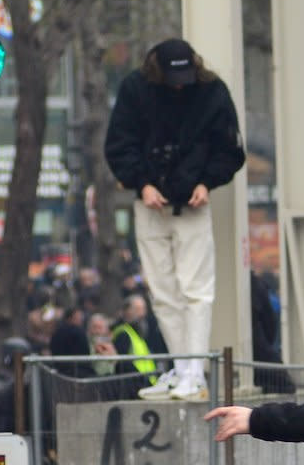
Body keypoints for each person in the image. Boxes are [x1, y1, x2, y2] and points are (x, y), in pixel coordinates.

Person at [102, 39, 245, 402]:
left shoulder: (210, 92)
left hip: (189, 203)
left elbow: (229, 148)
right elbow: (119, 144)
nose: (180, 84)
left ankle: (193, 373)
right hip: (151, 202)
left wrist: (205, 182)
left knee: (195, 289)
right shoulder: (137, 91)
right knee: (164, 293)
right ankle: (184, 370)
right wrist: (143, 183)